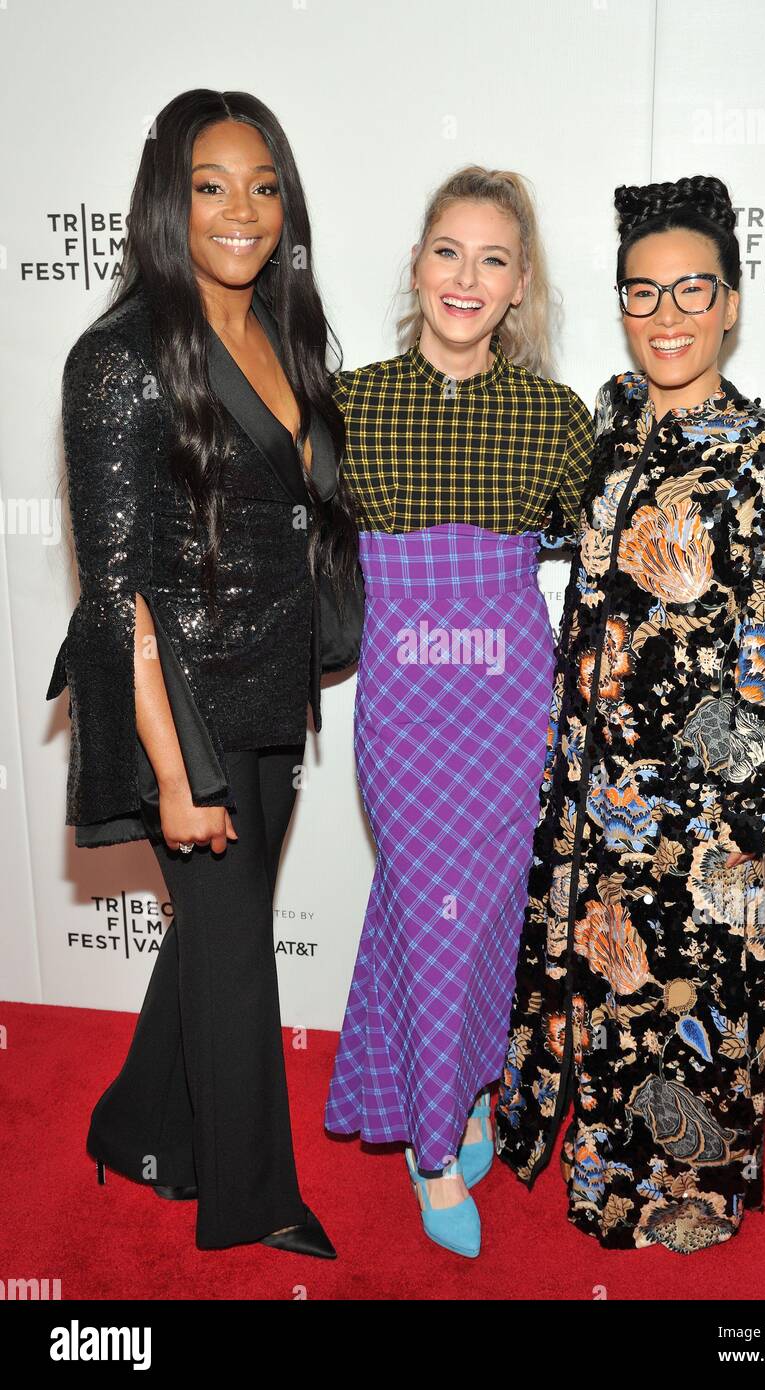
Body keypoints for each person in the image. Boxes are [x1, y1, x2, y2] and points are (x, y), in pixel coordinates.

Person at [45, 89, 358, 1256]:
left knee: (210, 935)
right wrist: (173, 774)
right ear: (168, 200)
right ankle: (254, 1195)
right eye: (212, 185)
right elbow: (114, 588)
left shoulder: (281, 329)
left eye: (264, 185)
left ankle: (136, 1121)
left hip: (272, 684)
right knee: (234, 955)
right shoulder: (117, 357)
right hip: (178, 699)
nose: (242, 211)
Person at [495, 174, 765, 1254]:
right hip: (587, 778)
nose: (667, 316)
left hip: (693, 803)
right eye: (643, 292)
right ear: (620, 301)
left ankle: (666, 1191)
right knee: (591, 975)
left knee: (679, 1003)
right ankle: (574, 1144)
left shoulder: (763, 460)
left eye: (692, 291)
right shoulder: (609, 419)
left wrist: (731, 833)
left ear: (730, 300)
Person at [323, 167, 595, 1257]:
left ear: (520, 283)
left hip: (506, 695)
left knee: (480, 917)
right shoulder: (353, 402)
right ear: (419, 263)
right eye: (448, 251)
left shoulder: (556, 417)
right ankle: (434, 1148)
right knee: (423, 902)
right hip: (402, 693)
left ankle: (470, 1085)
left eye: (492, 258)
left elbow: (585, 561)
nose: (466, 277)